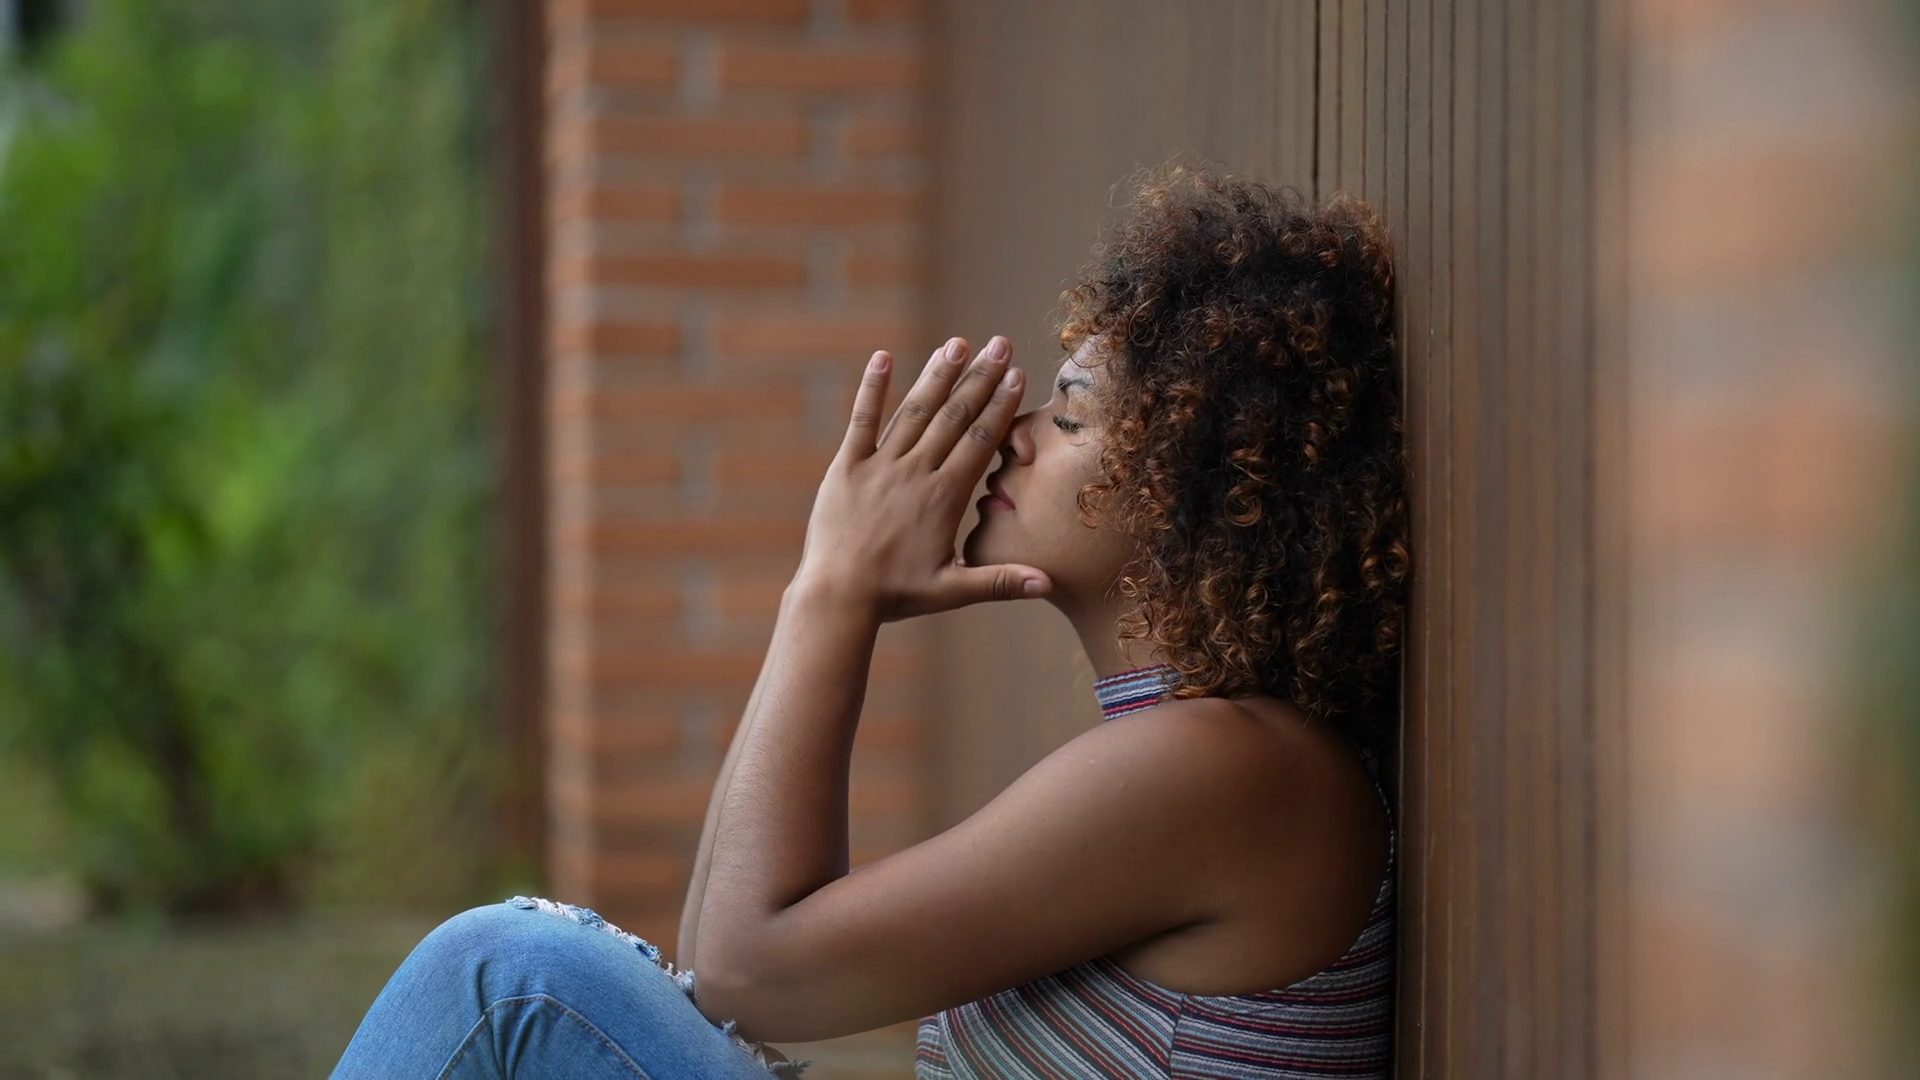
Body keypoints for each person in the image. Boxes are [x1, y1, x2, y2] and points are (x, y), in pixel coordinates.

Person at [332, 162, 1409, 1080]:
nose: (1018, 437)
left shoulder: (1230, 768)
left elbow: (753, 978)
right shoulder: (1211, 757)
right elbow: (716, 969)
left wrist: (833, 593)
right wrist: (824, 587)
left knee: (508, 978)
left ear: (1208, 481)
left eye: (1072, 411)